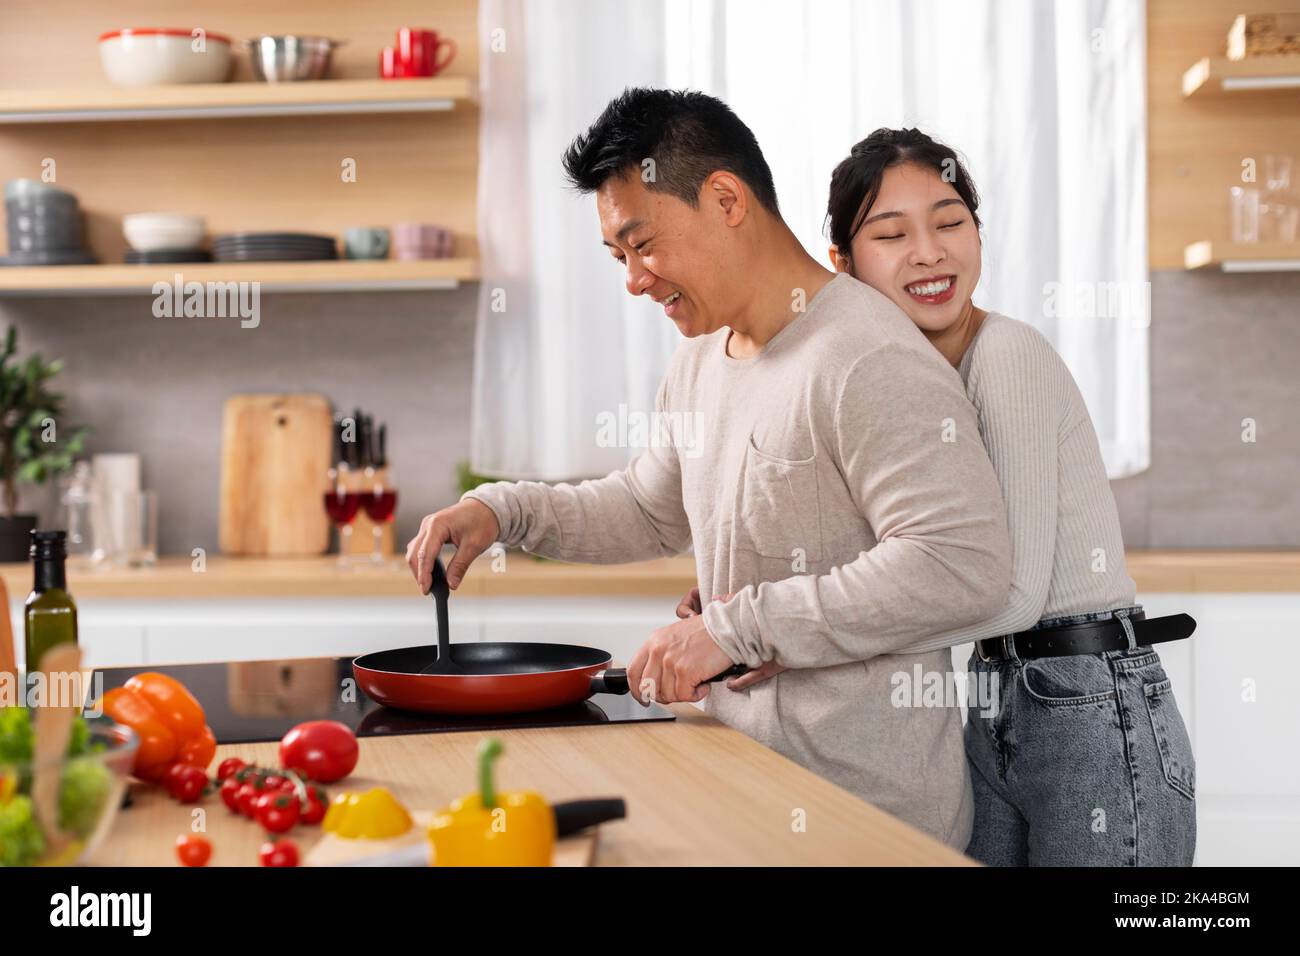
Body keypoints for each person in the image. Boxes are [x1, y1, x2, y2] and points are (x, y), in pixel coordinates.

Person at [407, 90, 1011, 849]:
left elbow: (960, 563)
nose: (633, 278)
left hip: (862, 824)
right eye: (618, 255)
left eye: (643, 243)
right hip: (737, 783)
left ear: (726, 198)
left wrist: (738, 629)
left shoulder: (867, 356)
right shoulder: (701, 357)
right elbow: (650, 507)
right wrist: (503, 511)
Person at [684, 127, 1196, 865]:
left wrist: (782, 637)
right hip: (999, 693)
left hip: (1090, 699)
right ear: (844, 266)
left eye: (952, 222)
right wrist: (746, 613)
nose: (930, 252)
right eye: (891, 235)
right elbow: (886, 554)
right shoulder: (896, 379)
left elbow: (1008, 595)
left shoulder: (1006, 356)